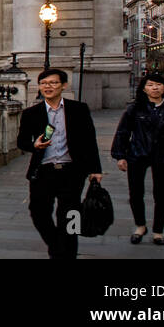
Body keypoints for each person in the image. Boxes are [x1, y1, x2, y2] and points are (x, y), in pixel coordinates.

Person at [17, 68, 102, 258]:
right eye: (44, 83)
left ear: (64, 85)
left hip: (72, 171)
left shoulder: (79, 109)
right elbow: (21, 142)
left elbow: (90, 140)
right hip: (43, 171)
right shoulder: (31, 113)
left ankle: (69, 253)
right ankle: (56, 246)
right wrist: (34, 145)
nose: (48, 87)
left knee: (71, 216)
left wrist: (95, 169)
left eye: (53, 83)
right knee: (38, 212)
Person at [112, 72, 164, 245]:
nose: (154, 88)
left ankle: (158, 231)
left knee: (161, 195)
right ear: (144, 88)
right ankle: (140, 226)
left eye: (158, 84)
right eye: (150, 85)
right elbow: (123, 132)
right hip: (137, 154)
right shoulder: (135, 108)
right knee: (135, 194)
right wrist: (120, 156)